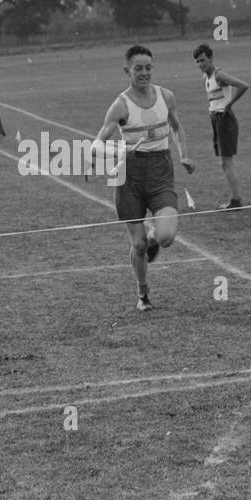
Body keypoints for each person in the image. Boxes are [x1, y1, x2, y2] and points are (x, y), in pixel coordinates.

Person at [90, 45, 194, 311]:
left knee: (167, 236)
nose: (144, 73)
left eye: (148, 67)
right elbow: (96, 145)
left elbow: (177, 128)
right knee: (137, 246)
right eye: (138, 68)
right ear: (127, 70)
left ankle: (153, 234)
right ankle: (143, 293)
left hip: (160, 173)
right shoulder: (120, 105)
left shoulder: (166, 96)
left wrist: (183, 155)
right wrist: (121, 149)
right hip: (129, 178)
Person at [192, 43, 249, 208]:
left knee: (226, 162)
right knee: (224, 162)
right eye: (197, 62)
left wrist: (230, 104)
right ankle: (235, 198)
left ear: (210, 59)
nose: (200, 64)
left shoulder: (219, 75)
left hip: (224, 118)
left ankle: (236, 200)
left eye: (203, 60)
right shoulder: (207, 77)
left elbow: (243, 86)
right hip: (216, 119)